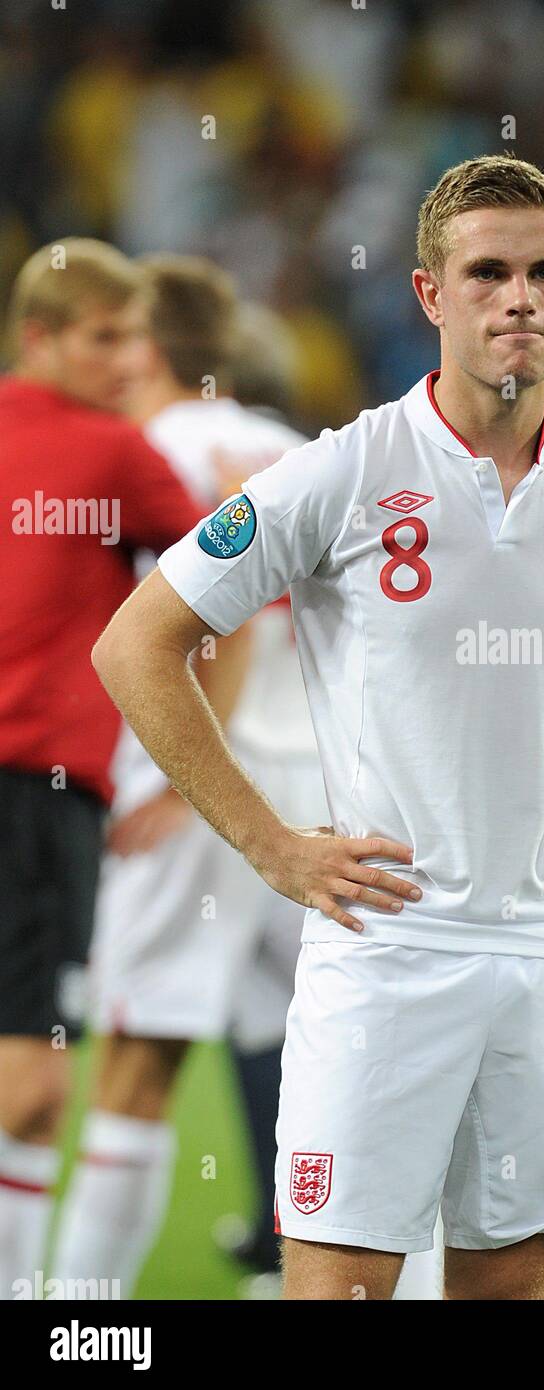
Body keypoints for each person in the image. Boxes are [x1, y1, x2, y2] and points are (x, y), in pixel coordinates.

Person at [91, 154, 544, 1301]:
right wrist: (273, 844)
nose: (520, 297)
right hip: (389, 958)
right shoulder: (342, 472)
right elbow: (136, 642)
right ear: (431, 295)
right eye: (489, 272)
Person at [49, 256, 328, 1300]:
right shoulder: (296, 450)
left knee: (138, 1057)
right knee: (324, 1062)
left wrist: (177, 774)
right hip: (318, 799)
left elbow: (219, 612)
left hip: (203, 789)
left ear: (148, 346)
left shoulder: (143, 451)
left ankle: (77, 1314)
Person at [0, 239, 204, 1298]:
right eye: (105, 337)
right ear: (42, 337)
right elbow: (232, 577)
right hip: (34, 800)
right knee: (32, 1081)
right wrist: (191, 766)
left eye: (138, 337)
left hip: (41, 798)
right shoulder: (115, 451)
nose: (130, 359)